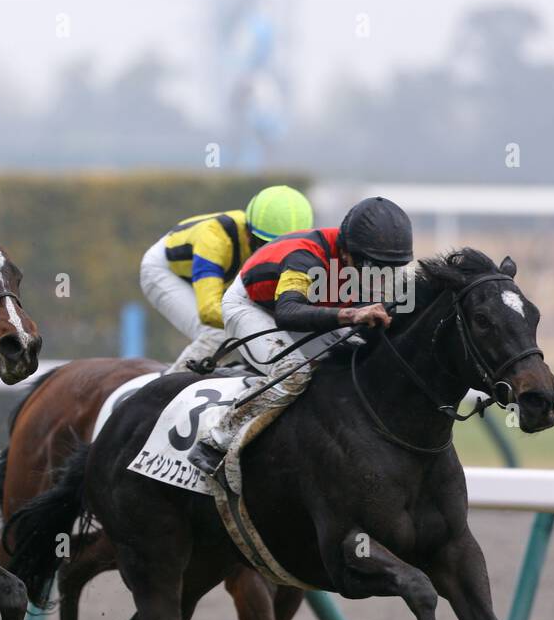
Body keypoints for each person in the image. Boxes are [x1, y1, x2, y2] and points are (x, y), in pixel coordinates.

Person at [187, 196, 414, 485]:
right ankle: (215, 441)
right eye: (372, 266)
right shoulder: (304, 257)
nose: (380, 276)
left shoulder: (365, 259)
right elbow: (288, 313)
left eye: (388, 268)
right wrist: (352, 314)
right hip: (255, 306)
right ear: (347, 252)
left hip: (308, 306)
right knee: (293, 372)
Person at [139, 185, 313, 373]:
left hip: (217, 276)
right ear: (248, 232)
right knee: (218, 333)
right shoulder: (213, 241)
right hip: (164, 272)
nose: (275, 255)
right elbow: (208, 312)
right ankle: (165, 392)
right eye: (265, 245)